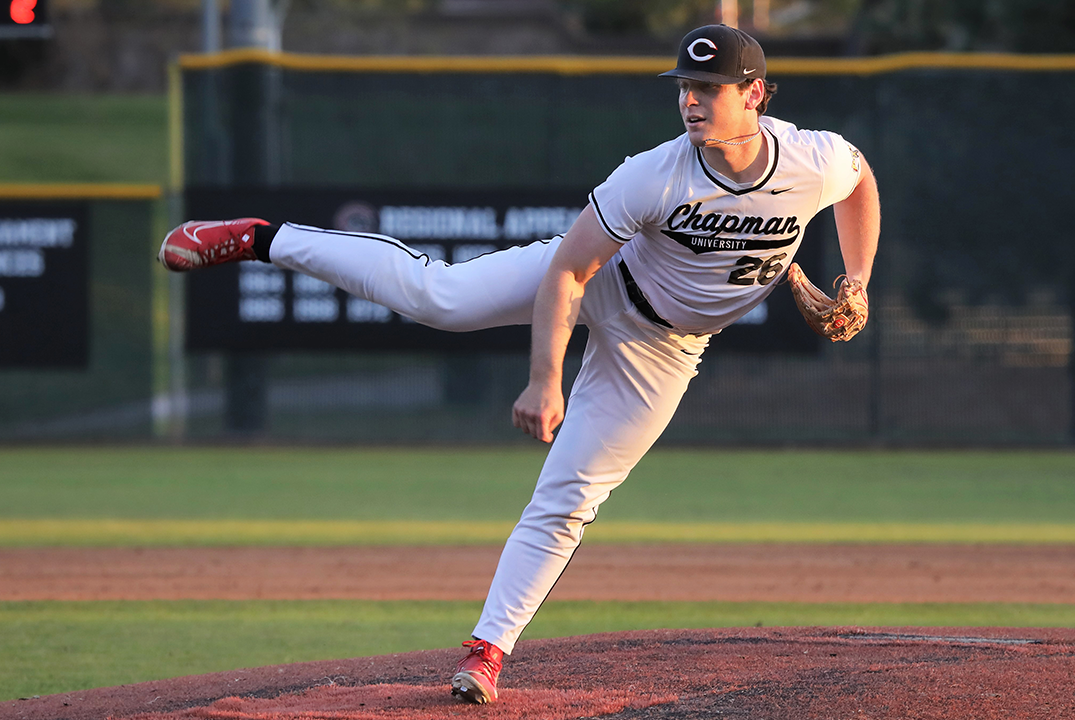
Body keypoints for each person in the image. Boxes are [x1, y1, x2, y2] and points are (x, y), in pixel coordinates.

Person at [159, 24, 880, 704]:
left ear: (753, 94)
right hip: (599, 281)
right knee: (436, 296)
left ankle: (486, 652)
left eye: (709, 87)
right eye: (684, 85)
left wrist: (857, 277)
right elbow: (567, 273)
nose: (690, 100)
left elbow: (862, 181)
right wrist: (546, 378)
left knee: (572, 496)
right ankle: (262, 237)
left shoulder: (813, 159)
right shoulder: (654, 174)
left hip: (665, 349)